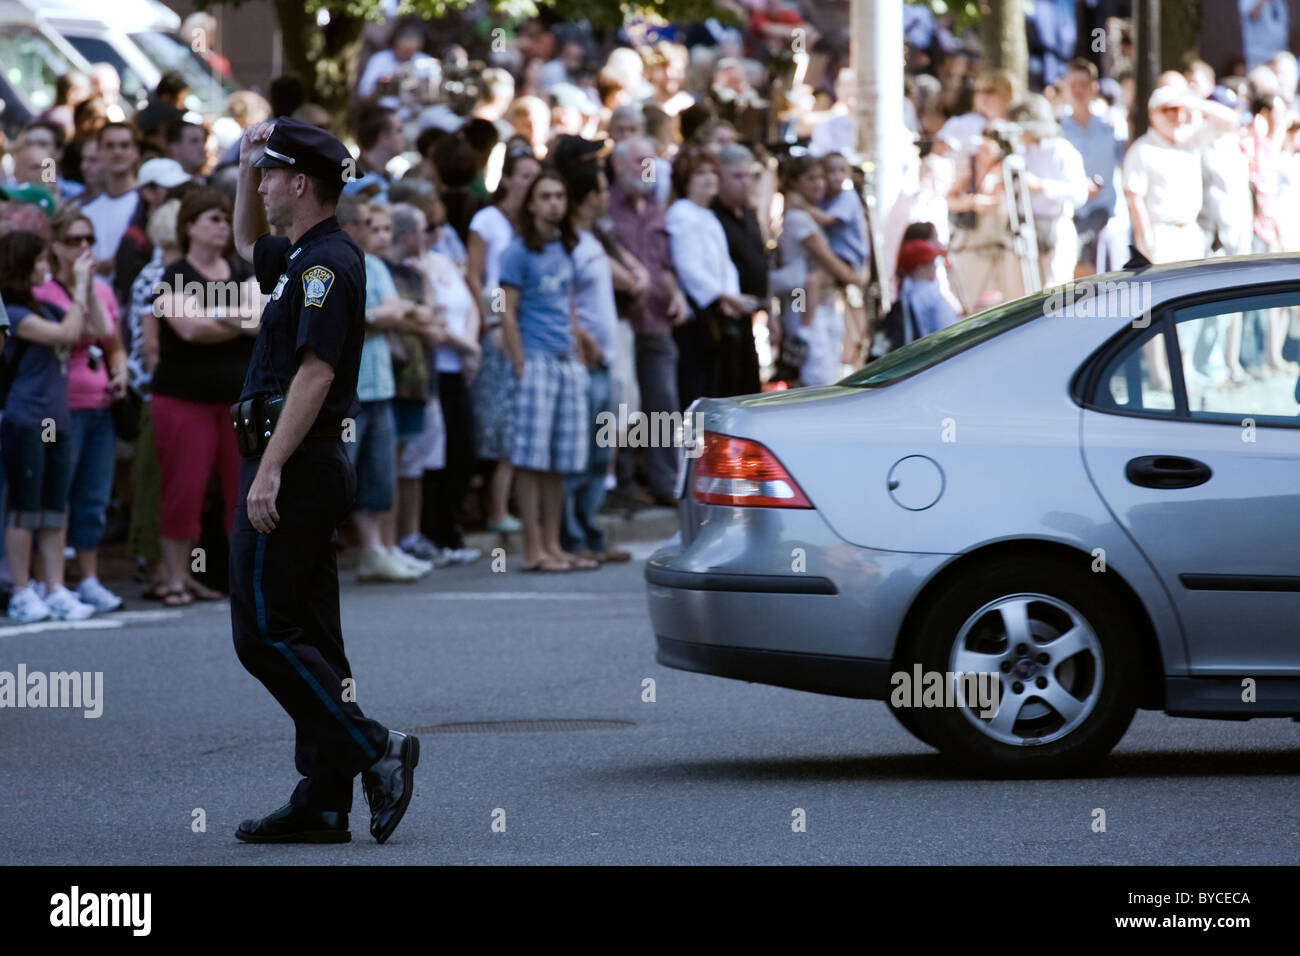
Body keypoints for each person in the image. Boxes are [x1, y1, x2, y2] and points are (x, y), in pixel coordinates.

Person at [230, 117, 419, 845]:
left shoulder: (324, 265)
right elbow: (250, 243)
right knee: (311, 634)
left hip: (297, 463)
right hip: (301, 461)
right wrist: (246, 164)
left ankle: (376, 747)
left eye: (272, 175)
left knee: (263, 632)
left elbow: (315, 372)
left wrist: (269, 470)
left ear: (300, 183)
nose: (265, 186)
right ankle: (326, 799)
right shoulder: (300, 253)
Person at [151, 188, 259, 606]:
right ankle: (177, 577)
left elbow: (263, 318)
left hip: (235, 402)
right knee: (186, 490)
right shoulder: (173, 273)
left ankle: (242, 581)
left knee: (241, 493)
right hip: (182, 400)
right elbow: (189, 330)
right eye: (212, 218)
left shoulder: (241, 270)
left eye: (224, 218)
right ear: (190, 226)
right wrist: (237, 317)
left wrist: (213, 313)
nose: (220, 225)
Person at [499, 169, 597, 572]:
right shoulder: (517, 250)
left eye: (559, 196)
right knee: (530, 459)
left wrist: (579, 343)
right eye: (545, 197)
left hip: (565, 361)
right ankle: (533, 548)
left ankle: (554, 545)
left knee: (561, 460)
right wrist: (519, 362)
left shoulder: (564, 246)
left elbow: (566, 303)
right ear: (532, 204)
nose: (554, 203)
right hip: (535, 361)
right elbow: (505, 309)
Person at [0, 232, 101, 622]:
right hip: (26, 418)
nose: (45, 268)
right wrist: (77, 293)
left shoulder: (46, 307)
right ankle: (22, 590)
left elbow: (97, 328)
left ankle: (56, 587)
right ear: (21, 267)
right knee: (26, 508)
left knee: (56, 509)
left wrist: (85, 284)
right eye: (39, 261)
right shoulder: (17, 314)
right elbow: (66, 335)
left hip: (59, 419)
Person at [34, 210, 129, 612]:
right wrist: (82, 287)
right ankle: (44, 581)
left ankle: (88, 579)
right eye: (73, 240)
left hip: (99, 408)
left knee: (93, 498)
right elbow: (79, 333)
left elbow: (111, 341)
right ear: (55, 246)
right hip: (58, 409)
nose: (83, 247)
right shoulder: (41, 292)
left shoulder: (102, 290)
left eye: (88, 239)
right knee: (56, 497)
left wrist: (121, 372)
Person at [606, 136, 690, 504]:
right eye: (640, 160)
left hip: (656, 319)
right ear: (619, 165)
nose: (647, 167)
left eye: (651, 160)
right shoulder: (606, 210)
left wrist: (677, 295)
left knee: (663, 406)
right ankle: (622, 484)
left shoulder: (659, 209)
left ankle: (665, 483)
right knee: (622, 405)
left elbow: (666, 265)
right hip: (620, 320)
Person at [467, 146, 540, 534]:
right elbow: (474, 274)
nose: (529, 183)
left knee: (519, 421)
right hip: (497, 328)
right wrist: (485, 322)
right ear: (508, 179)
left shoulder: (530, 225)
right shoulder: (488, 219)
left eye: (535, 175)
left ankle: (510, 506)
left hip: (525, 327)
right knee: (502, 423)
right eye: (523, 175)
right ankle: (495, 509)